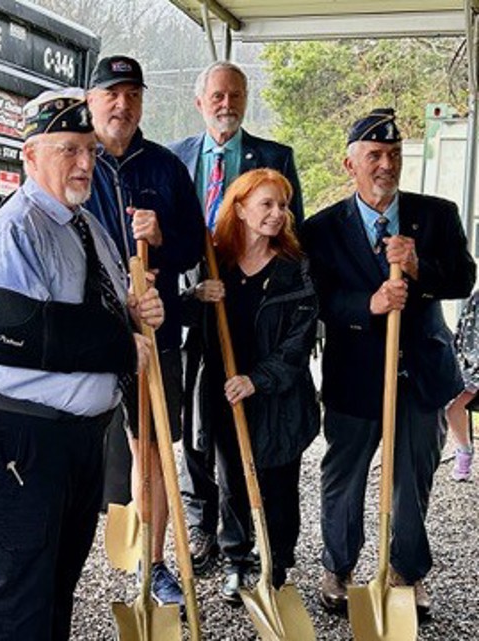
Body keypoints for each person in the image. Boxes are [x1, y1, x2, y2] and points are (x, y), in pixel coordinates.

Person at [0, 88, 162, 641]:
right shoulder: (15, 228)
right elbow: (12, 331)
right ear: (29, 156)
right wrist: (119, 343)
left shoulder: (89, 227)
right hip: (26, 433)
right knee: (25, 587)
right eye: (67, 149)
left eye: (90, 150)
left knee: (59, 582)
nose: (84, 163)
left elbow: (98, 310)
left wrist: (138, 311)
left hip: (80, 436)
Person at [301, 108, 476, 619]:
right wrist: (368, 305)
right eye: (374, 155)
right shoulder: (323, 229)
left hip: (421, 373)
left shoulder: (436, 215)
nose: (386, 165)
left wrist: (420, 264)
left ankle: (408, 572)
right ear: (349, 164)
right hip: (356, 377)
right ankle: (339, 566)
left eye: (394, 155)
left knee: (412, 479)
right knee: (345, 475)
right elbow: (317, 300)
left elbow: (463, 280)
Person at [169, 61, 306, 573]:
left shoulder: (274, 158)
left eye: (236, 95)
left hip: (252, 306)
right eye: (218, 95)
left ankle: (260, 542)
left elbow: (295, 235)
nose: (227, 104)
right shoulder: (177, 158)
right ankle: (207, 523)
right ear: (199, 100)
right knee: (201, 422)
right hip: (203, 302)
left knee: (249, 426)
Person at [83, 54, 204, 608]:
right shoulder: (75, 159)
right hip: (87, 332)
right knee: (72, 444)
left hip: (154, 331)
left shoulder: (165, 167)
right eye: (112, 93)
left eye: (132, 94)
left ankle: (153, 564)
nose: (122, 104)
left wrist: (163, 236)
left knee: (151, 449)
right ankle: (69, 553)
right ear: (92, 99)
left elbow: (196, 249)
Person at [192, 169, 319, 603]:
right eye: (266, 204)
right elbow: (184, 323)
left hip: (277, 397)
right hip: (226, 392)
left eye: (282, 205)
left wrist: (257, 379)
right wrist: (196, 295)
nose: (277, 214)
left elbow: (298, 343)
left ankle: (276, 562)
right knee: (232, 481)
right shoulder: (215, 263)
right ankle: (236, 558)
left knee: (278, 482)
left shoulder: (294, 269)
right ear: (241, 208)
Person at [445, 289, 479, 482]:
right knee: (451, 403)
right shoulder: (477, 298)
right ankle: (464, 452)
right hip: (471, 366)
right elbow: (463, 339)